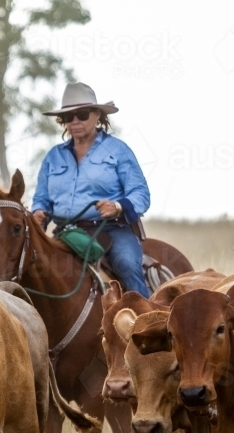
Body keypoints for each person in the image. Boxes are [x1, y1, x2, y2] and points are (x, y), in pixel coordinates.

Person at [31, 82, 151, 297]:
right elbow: (41, 198)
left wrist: (117, 206)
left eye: (83, 114)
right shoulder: (53, 157)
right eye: (69, 117)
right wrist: (38, 213)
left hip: (111, 230)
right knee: (34, 271)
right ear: (63, 122)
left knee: (127, 265)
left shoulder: (118, 150)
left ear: (97, 115)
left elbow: (140, 194)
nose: (75, 121)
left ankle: (146, 320)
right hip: (67, 233)